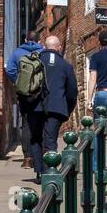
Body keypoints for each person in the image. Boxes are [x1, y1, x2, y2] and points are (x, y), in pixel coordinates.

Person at [5, 28, 45, 170]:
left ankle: (27, 158)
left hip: (23, 95)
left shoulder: (17, 53)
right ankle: (41, 154)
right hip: (40, 94)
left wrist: (19, 82)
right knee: (41, 122)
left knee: (27, 124)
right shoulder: (43, 52)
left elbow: (9, 70)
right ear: (39, 41)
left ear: (26, 40)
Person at [38, 36, 79, 166]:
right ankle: (50, 172)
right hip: (56, 107)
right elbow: (72, 91)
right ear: (59, 47)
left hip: (35, 106)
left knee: (36, 138)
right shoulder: (66, 66)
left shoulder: (36, 61)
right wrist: (67, 109)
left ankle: (40, 171)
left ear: (45, 47)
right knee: (50, 139)